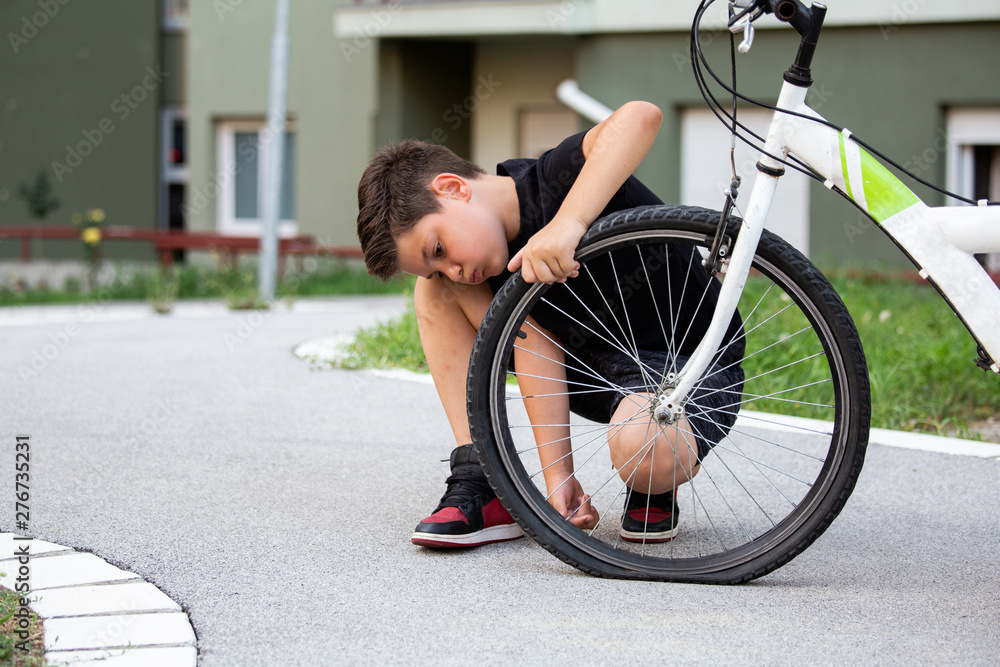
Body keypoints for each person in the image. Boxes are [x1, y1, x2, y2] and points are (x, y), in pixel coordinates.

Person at [356, 101, 744, 548]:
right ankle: (484, 481)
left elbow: (641, 116)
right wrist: (559, 479)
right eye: (435, 264)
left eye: (439, 249)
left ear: (453, 188)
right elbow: (534, 339)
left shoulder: (553, 181)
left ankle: (652, 481)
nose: (454, 270)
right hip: (590, 369)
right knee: (434, 293)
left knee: (643, 446)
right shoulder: (486, 265)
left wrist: (570, 222)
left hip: (681, 363)